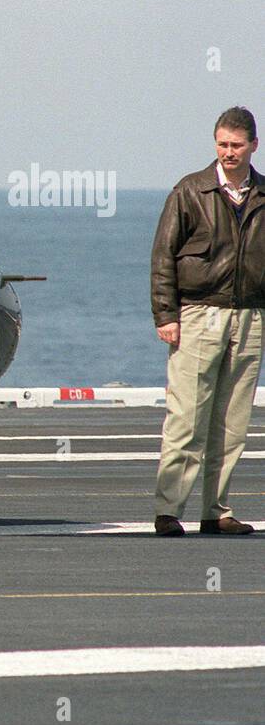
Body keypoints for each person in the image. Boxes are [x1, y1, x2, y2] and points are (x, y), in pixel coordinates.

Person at [151, 106, 262, 536]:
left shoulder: (263, 195)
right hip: (199, 314)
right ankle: (168, 510)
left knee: (233, 422)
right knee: (187, 416)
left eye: (236, 145)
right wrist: (167, 314)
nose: (228, 152)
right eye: (222, 144)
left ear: (254, 145)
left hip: (251, 317)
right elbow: (163, 256)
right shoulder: (190, 191)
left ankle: (216, 511)